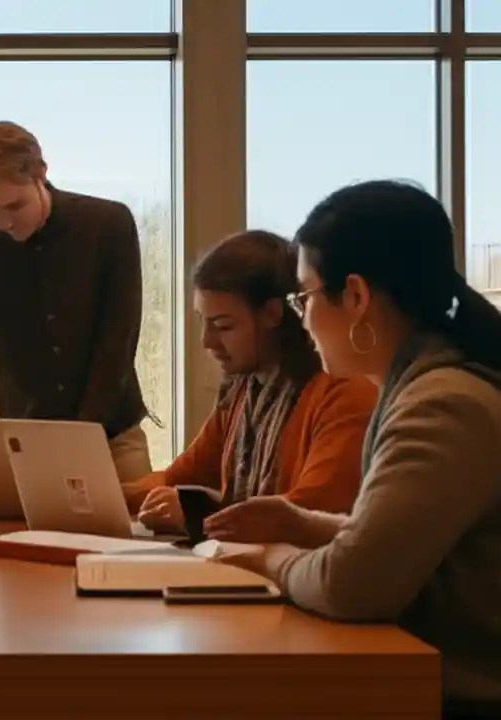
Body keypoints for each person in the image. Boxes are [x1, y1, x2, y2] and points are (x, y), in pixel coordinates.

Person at [208, 181, 501, 717]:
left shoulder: (443, 405)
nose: (304, 318)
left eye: (306, 297)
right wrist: (302, 524)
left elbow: (353, 585)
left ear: (358, 297)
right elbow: (406, 539)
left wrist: (269, 559)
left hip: (457, 696)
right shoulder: (425, 384)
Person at [0, 121, 151, 497]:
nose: (5, 223)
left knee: (130, 549)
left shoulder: (108, 225)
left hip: (114, 440)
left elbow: (118, 345)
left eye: (15, 206)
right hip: (26, 450)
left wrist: (79, 443)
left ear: (41, 174)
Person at [130, 231, 376, 540]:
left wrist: (198, 517)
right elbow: (176, 478)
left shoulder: (342, 393)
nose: (207, 341)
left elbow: (310, 513)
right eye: (202, 322)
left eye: (223, 326)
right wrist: (94, 498)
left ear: (273, 314)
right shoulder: (244, 390)